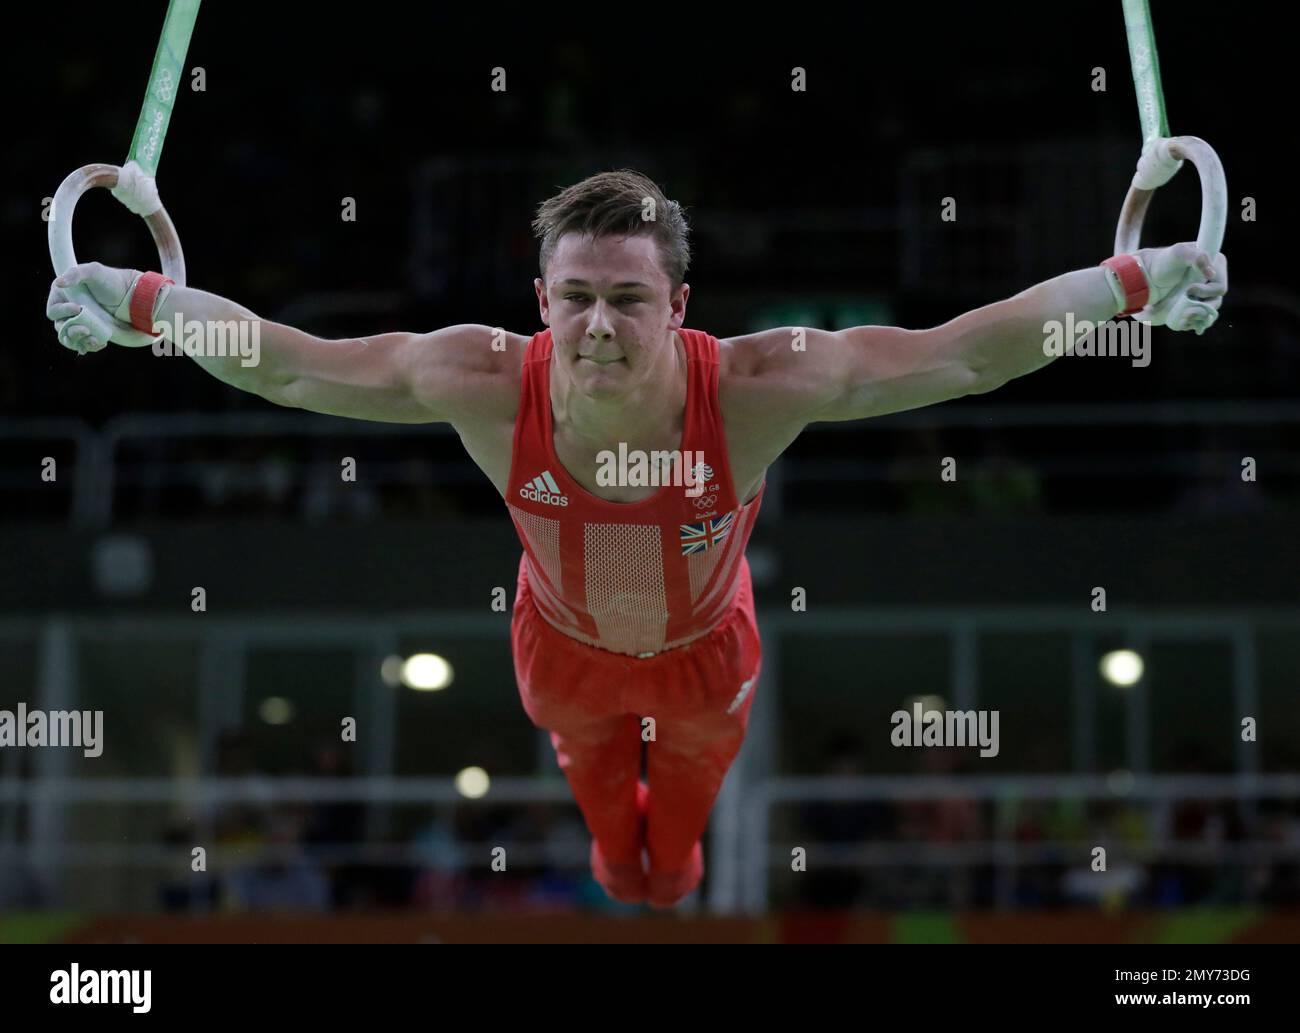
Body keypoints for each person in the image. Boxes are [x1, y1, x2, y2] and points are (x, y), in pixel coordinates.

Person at [45, 169, 1228, 907]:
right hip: (556, 649)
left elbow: (968, 350)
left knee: (681, 843)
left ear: (680, 307)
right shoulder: (477, 378)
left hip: (708, 650)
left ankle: (670, 869)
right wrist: (128, 298)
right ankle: (623, 864)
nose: (599, 324)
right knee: (615, 836)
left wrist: (1140, 279)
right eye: (575, 297)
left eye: (627, 297)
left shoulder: (761, 383)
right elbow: (290, 367)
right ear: (540, 300)